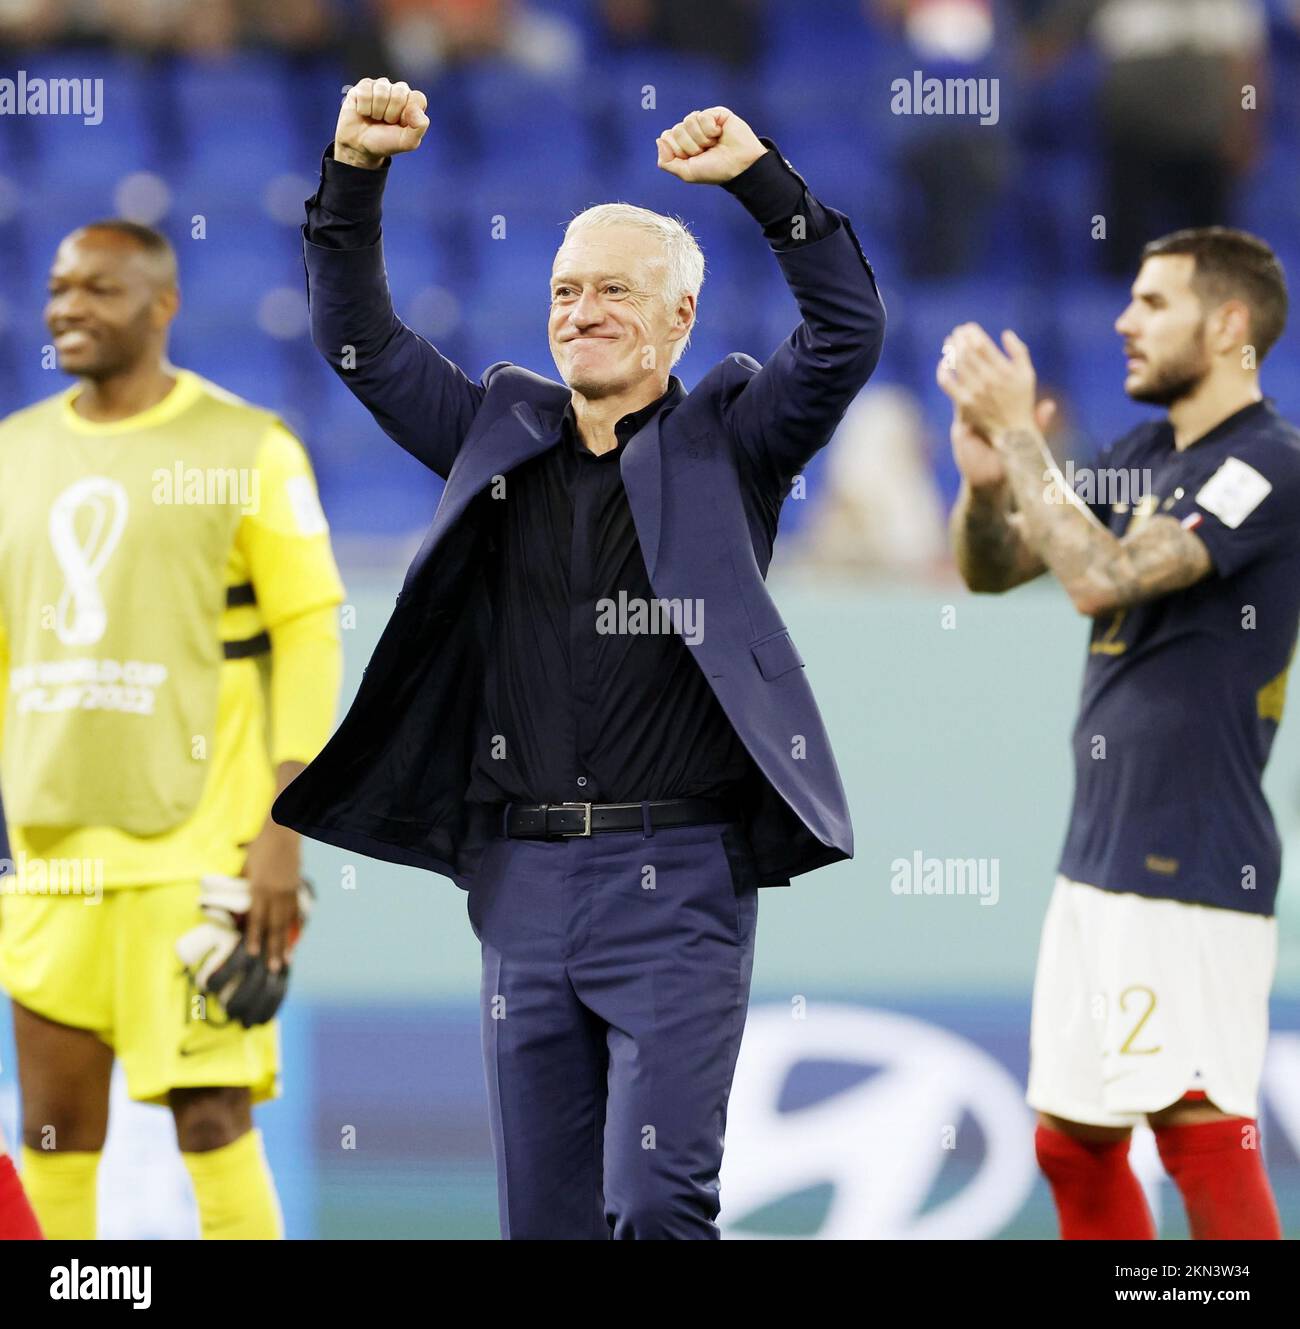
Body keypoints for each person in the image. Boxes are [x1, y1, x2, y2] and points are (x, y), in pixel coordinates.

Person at [274, 79, 885, 1239]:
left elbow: (846, 331)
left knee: (655, 1201)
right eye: (565, 291)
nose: (582, 311)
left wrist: (762, 181)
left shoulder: (734, 439)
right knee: (545, 1221)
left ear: (680, 319)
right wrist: (353, 176)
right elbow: (360, 343)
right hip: (523, 880)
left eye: (614, 291)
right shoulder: (494, 433)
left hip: (680, 875)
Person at [941, 226, 1294, 1239]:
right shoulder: (1144, 454)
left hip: (1189, 857)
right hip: (1098, 856)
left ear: (1227, 325)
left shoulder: (1266, 466)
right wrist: (987, 482)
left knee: (1198, 1134)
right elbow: (995, 569)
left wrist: (1023, 437)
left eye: (1152, 303)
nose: (1123, 322)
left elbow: (1100, 578)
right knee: (1073, 1141)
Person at [0, 221, 345, 1239]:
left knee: (212, 1121)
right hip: (52, 860)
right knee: (53, 1129)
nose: (69, 308)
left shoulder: (247, 446)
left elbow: (309, 632)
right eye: (60, 288)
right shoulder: (13, 453)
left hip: (197, 857)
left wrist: (284, 828)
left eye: (99, 289)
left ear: (163, 305)